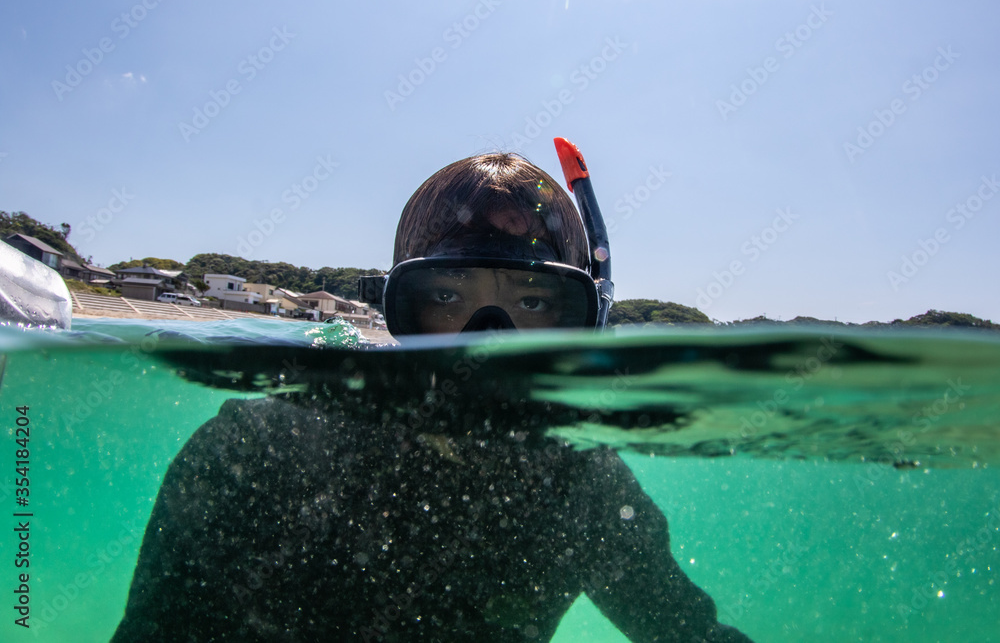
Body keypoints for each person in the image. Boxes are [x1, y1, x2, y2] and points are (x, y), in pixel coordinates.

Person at [111, 147, 753, 642]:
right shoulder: (260, 454)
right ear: (398, 307)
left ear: (582, 322)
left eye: (532, 303)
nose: (485, 350)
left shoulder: (584, 489)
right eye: (445, 299)